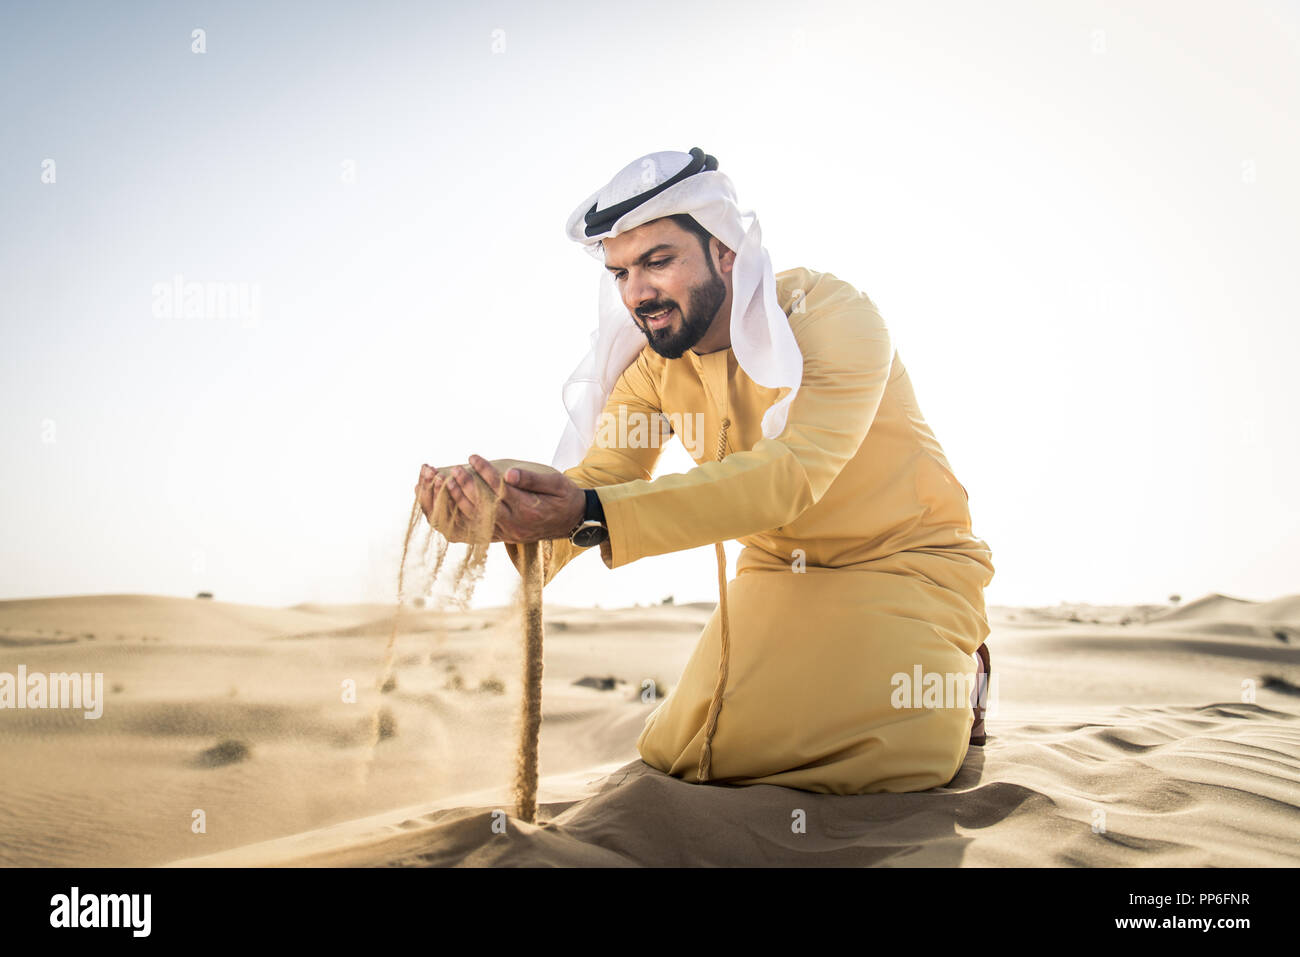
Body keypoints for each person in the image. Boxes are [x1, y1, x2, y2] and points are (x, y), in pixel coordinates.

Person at [415, 147, 994, 794]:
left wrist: (587, 512)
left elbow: (790, 474)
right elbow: (601, 478)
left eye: (658, 261)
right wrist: (502, 499)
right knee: (689, 752)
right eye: (621, 273)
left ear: (726, 253)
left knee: (887, 760)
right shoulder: (654, 366)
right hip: (778, 572)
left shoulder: (833, 318)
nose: (638, 292)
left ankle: (965, 672)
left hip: (906, 561)